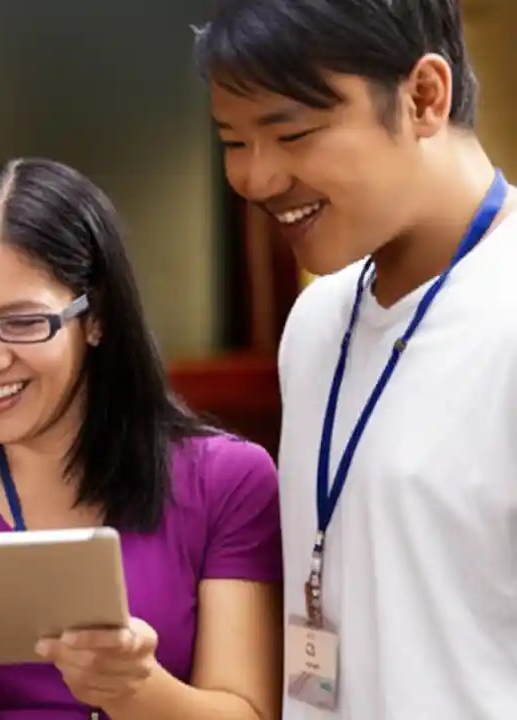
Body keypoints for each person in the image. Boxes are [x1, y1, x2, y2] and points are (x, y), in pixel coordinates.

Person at [0, 158, 283, 720]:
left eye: (24, 322)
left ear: (96, 318)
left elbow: (250, 711)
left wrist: (134, 687)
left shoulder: (227, 480)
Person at [195, 1, 517, 718]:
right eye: (233, 141)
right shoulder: (316, 320)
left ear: (423, 98)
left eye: (292, 133)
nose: (256, 178)